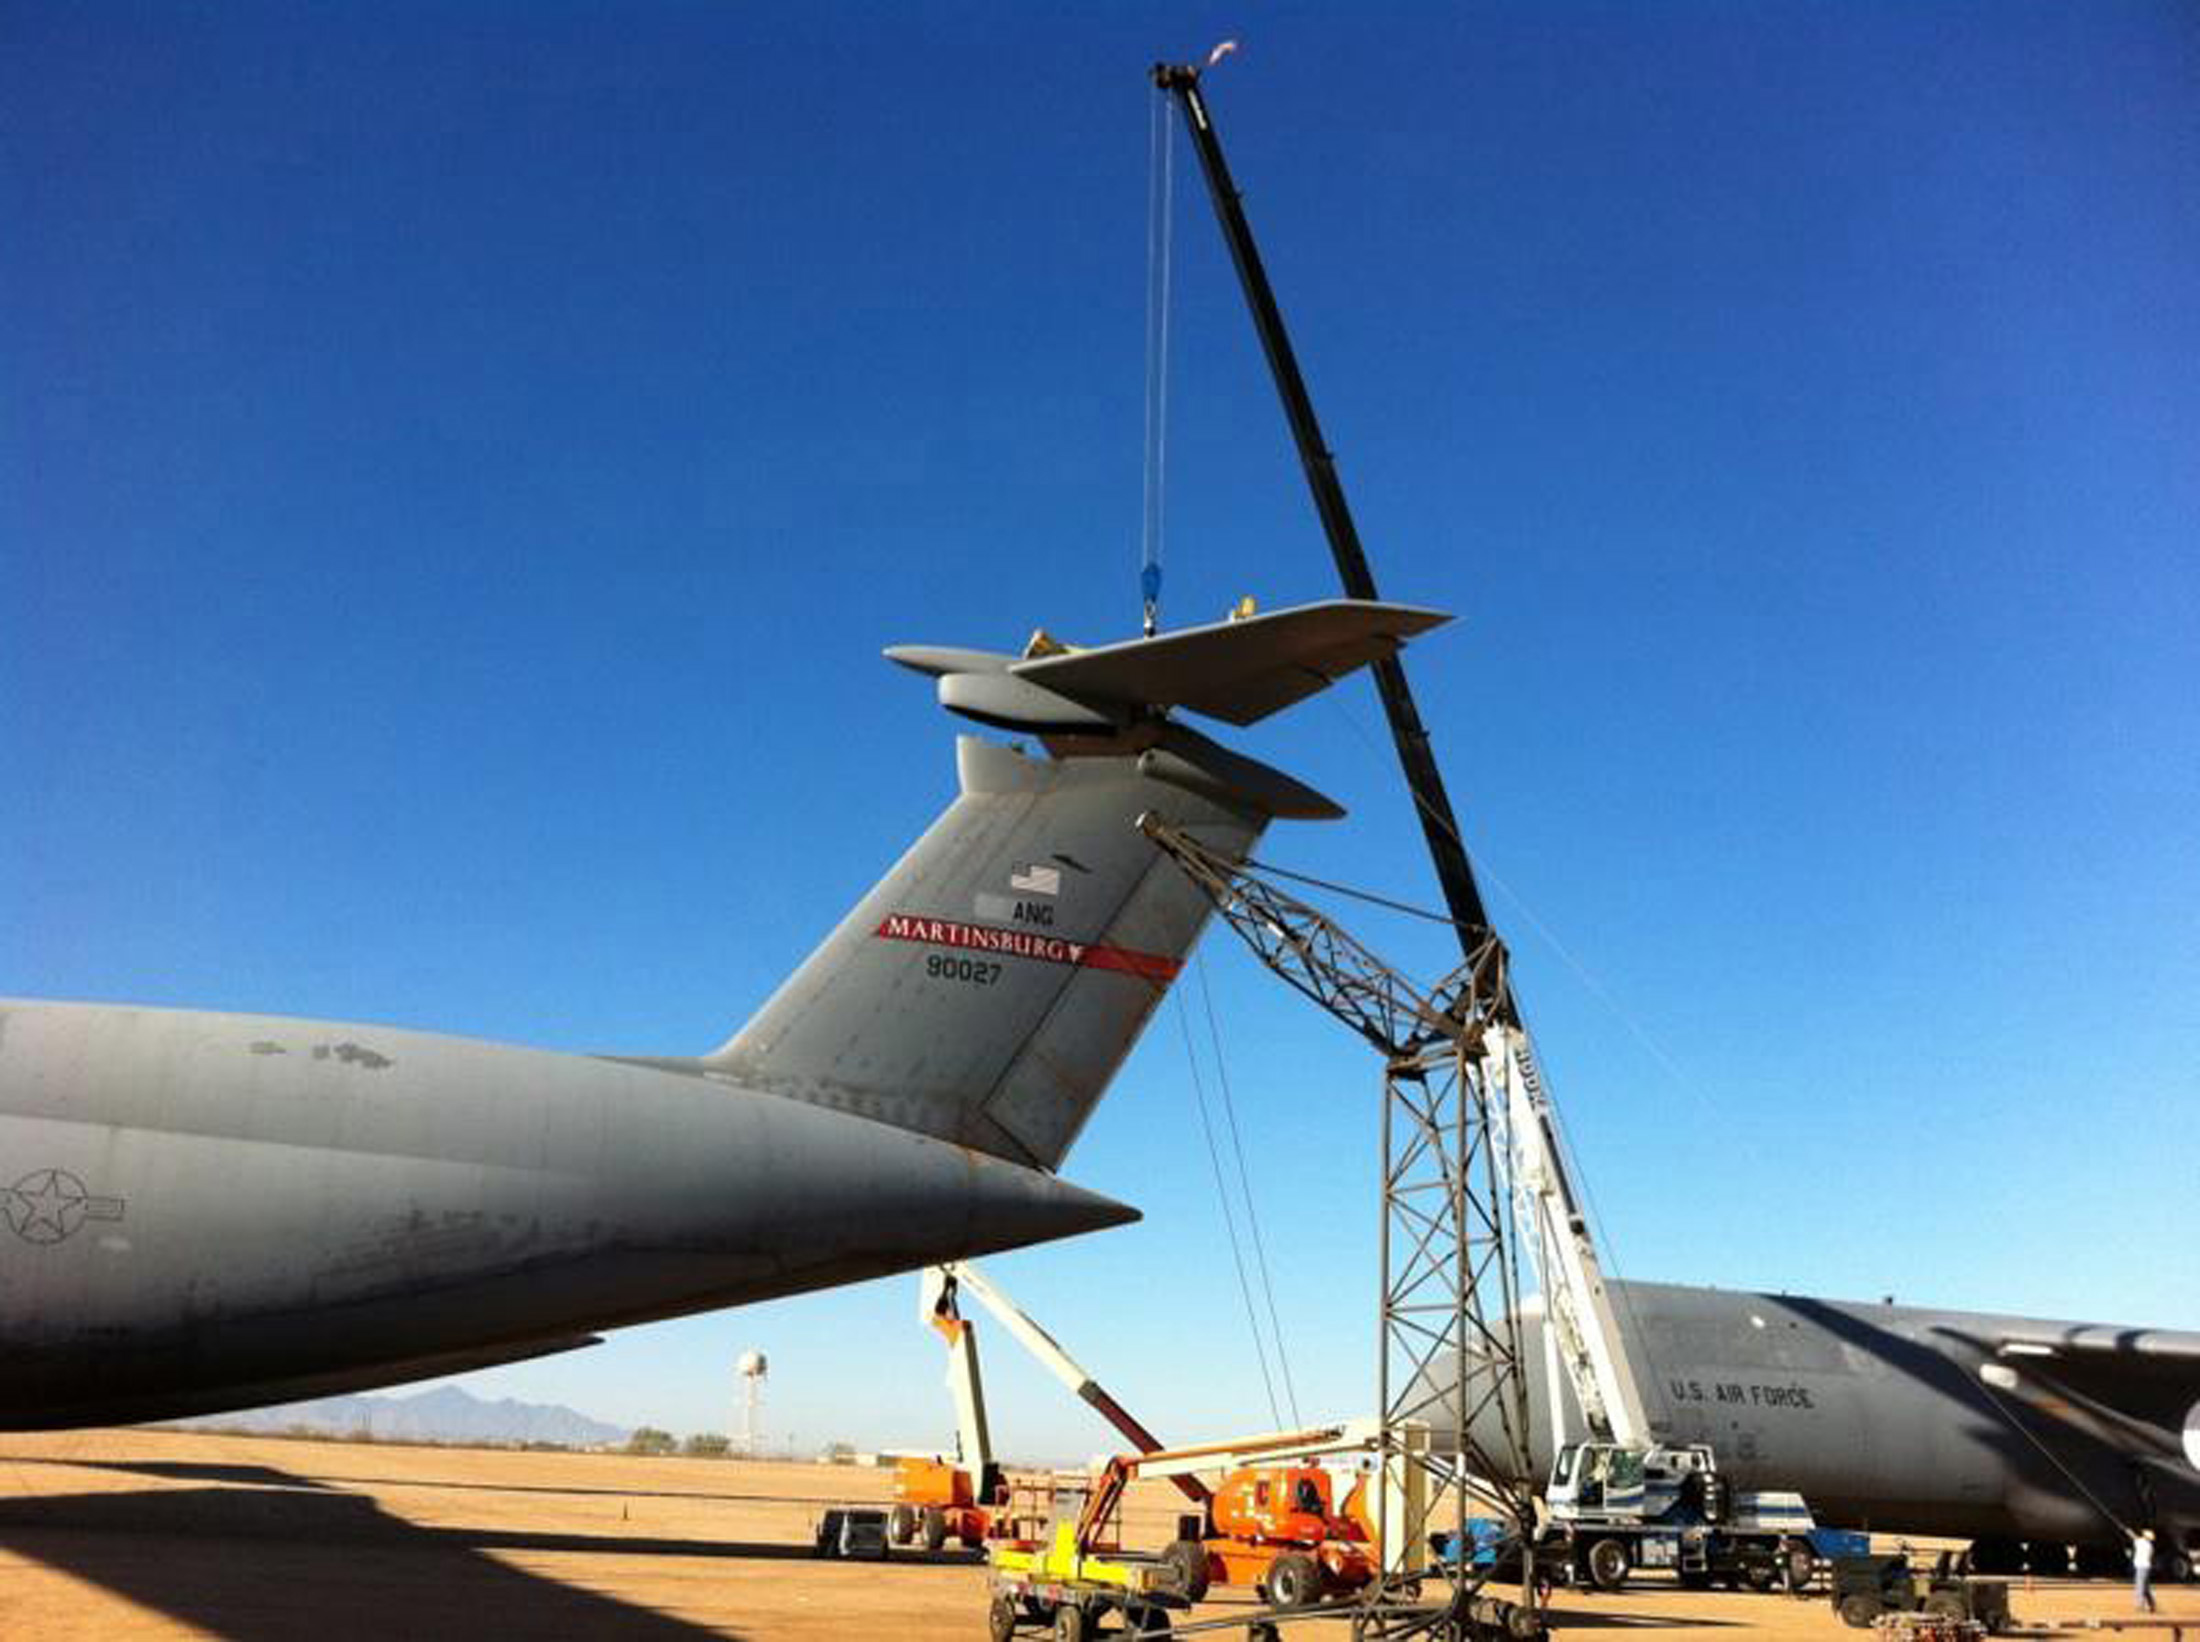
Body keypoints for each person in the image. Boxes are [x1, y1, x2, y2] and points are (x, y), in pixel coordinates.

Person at [2133, 1528, 2156, 1614]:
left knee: (2140, 1587)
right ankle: (2152, 1604)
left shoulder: (2141, 1543)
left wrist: (2129, 1533)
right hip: (2146, 1567)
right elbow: (2136, 1538)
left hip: (2141, 1567)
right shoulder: (2149, 1546)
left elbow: (2135, 1538)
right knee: (2145, 1588)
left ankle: (2140, 1606)